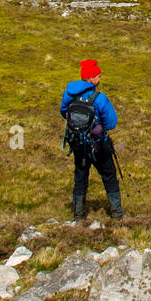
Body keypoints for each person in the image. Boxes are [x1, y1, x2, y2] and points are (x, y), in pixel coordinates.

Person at [59, 59, 123, 221]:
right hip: (98, 145)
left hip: (77, 144)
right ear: (91, 78)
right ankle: (117, 213)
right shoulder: (99, 98)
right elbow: (111, 122)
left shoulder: (69, 94)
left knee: (80, 175)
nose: (100, 79)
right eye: (98, 76)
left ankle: (78, 215)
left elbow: (63, 112)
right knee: (109, 175)